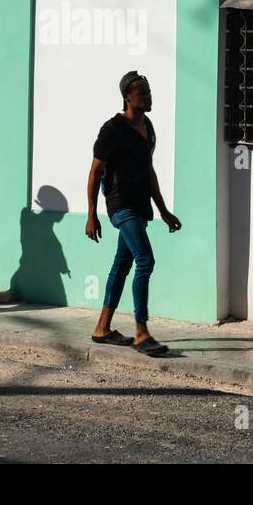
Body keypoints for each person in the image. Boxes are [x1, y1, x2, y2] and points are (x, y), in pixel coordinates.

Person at [85, 71, 181, 357]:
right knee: (145, 260)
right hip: (120, 204)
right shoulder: (112, 129)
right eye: (142, 93)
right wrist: (92, 214)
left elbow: (149, 171)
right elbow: (94, 172)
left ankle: (102, 328)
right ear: (127, 97)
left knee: (122, 264)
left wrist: (163, 210)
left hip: (140, 205)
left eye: (149, 92)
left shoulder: (148, 127)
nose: (149, 97)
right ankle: (141, 333)